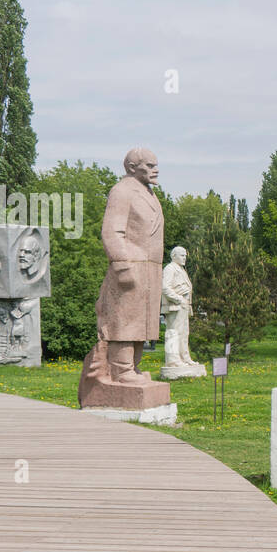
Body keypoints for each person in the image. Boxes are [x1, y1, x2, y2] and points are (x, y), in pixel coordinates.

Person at [78, 148, 164, 398]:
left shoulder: (148, 192)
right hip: (131, 264)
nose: (155, 169)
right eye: (149, 165)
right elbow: (111, 232)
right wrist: (122, 265)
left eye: (156, 165)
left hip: (150, 266)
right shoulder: (122, 191)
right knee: (125, 320)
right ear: (131, 167)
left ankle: (133, 368)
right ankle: (120, 369)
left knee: (142, 321)